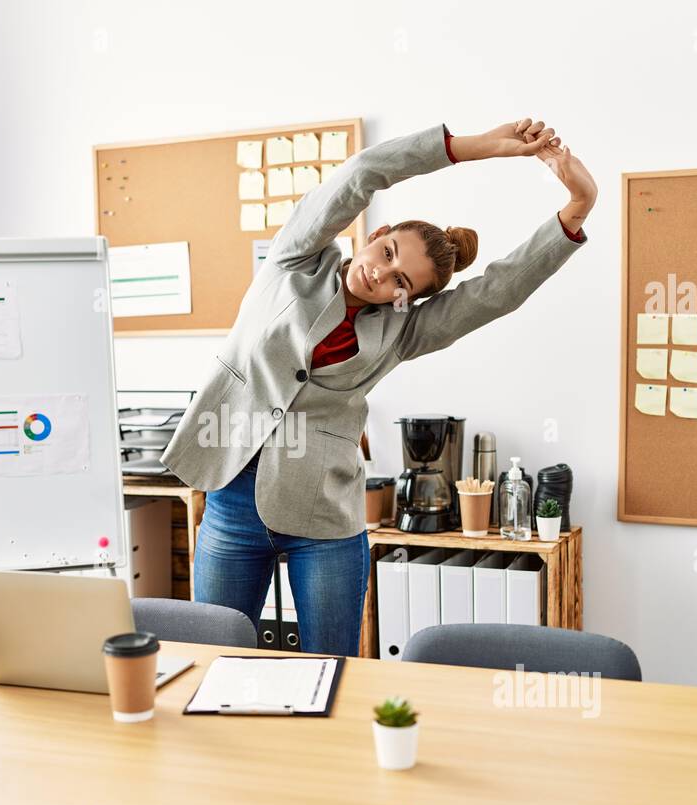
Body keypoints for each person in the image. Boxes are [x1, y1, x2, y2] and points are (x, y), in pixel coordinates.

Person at [160, 119, 596, 656]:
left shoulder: (402, 332)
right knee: (215, 659)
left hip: (324, 517)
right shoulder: (295, 260)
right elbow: (363, 172)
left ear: (406, 300)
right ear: (373, 237)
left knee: (333, 668)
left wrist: (578, 204)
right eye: (387, 254)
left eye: (402, 282)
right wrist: (476, 148)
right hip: (233, 497)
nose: (382, 276)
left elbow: (497, 292)